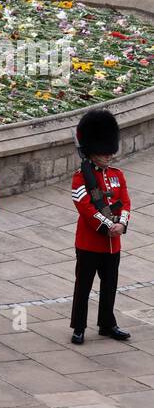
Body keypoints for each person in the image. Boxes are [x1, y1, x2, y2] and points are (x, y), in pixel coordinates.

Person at [71, 109, 131, 345]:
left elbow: (125, 202)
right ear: (92, 151)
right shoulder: (81, 177)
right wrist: (108, 225)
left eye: (109, 151)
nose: (108, 156)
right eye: (103, 152)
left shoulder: (117, 175)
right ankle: (78, 326)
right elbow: (84, 206)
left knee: (110, 286)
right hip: (89, 241)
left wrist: (122, 224)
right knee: (83, 286)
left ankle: (107, 323)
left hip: (113, 242)